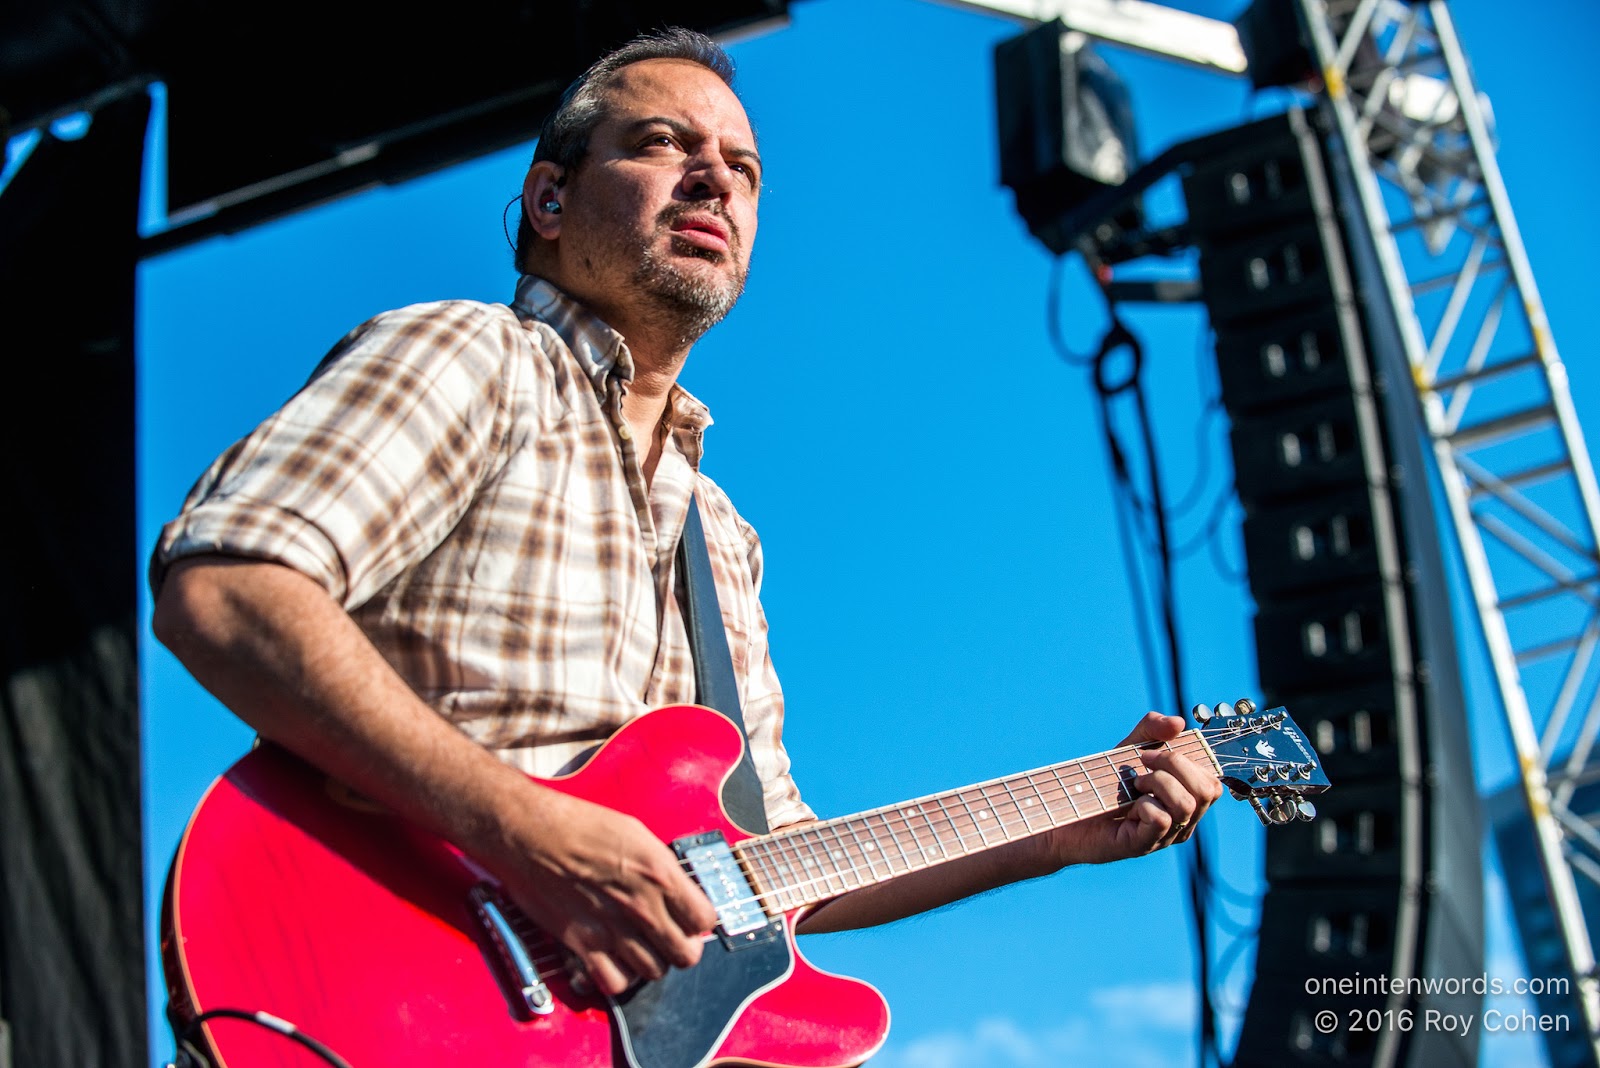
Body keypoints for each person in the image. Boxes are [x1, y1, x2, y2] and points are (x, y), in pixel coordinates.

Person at [150, 27, 1221, 1003]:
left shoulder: (722, 535)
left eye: (743, 169)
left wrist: (1058, 832)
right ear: (549, 199)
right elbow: (228, 585)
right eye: (663, 143)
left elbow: (777, 866)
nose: (715, 177)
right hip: (380, 991)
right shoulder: (477, 358)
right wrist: (530, 832)